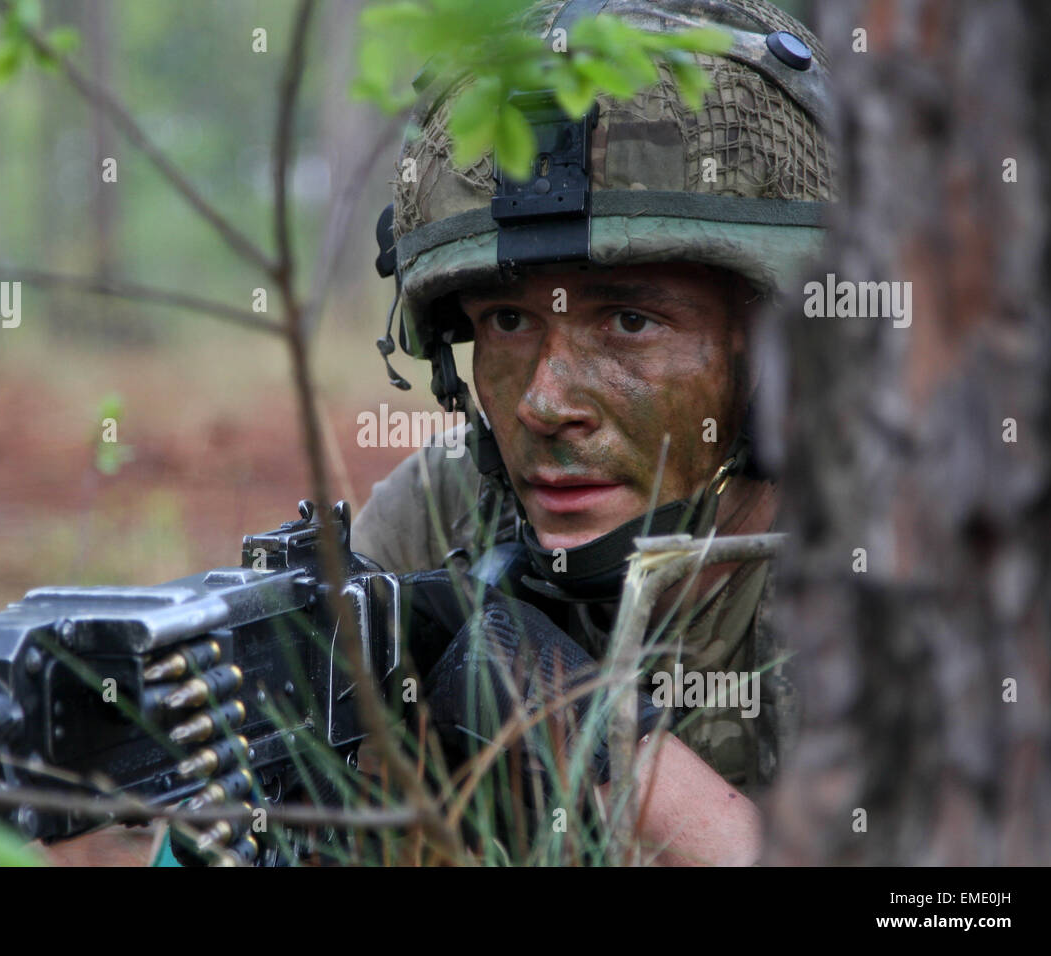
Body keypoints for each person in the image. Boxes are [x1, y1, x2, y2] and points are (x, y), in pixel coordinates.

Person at [352, 0, 834, 864]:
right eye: (506, 320)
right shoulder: (435, 523)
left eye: (630, 322)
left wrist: (593, 734)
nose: (544, 402)